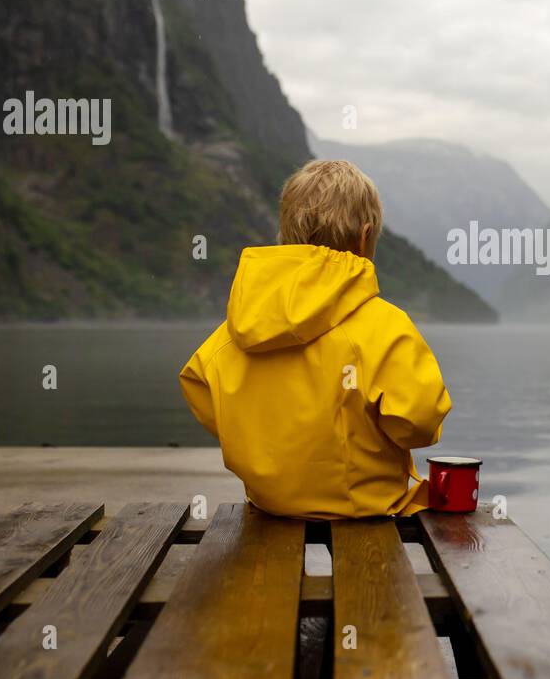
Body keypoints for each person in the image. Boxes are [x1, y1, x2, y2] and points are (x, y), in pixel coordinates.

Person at [179, 160, 451, 518]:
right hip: (366, 513)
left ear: (285, 233)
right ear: (365, 235)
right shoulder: (385, 326)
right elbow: (419, 424)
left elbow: (199, 385)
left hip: (269, 506)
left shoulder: (240, 326)